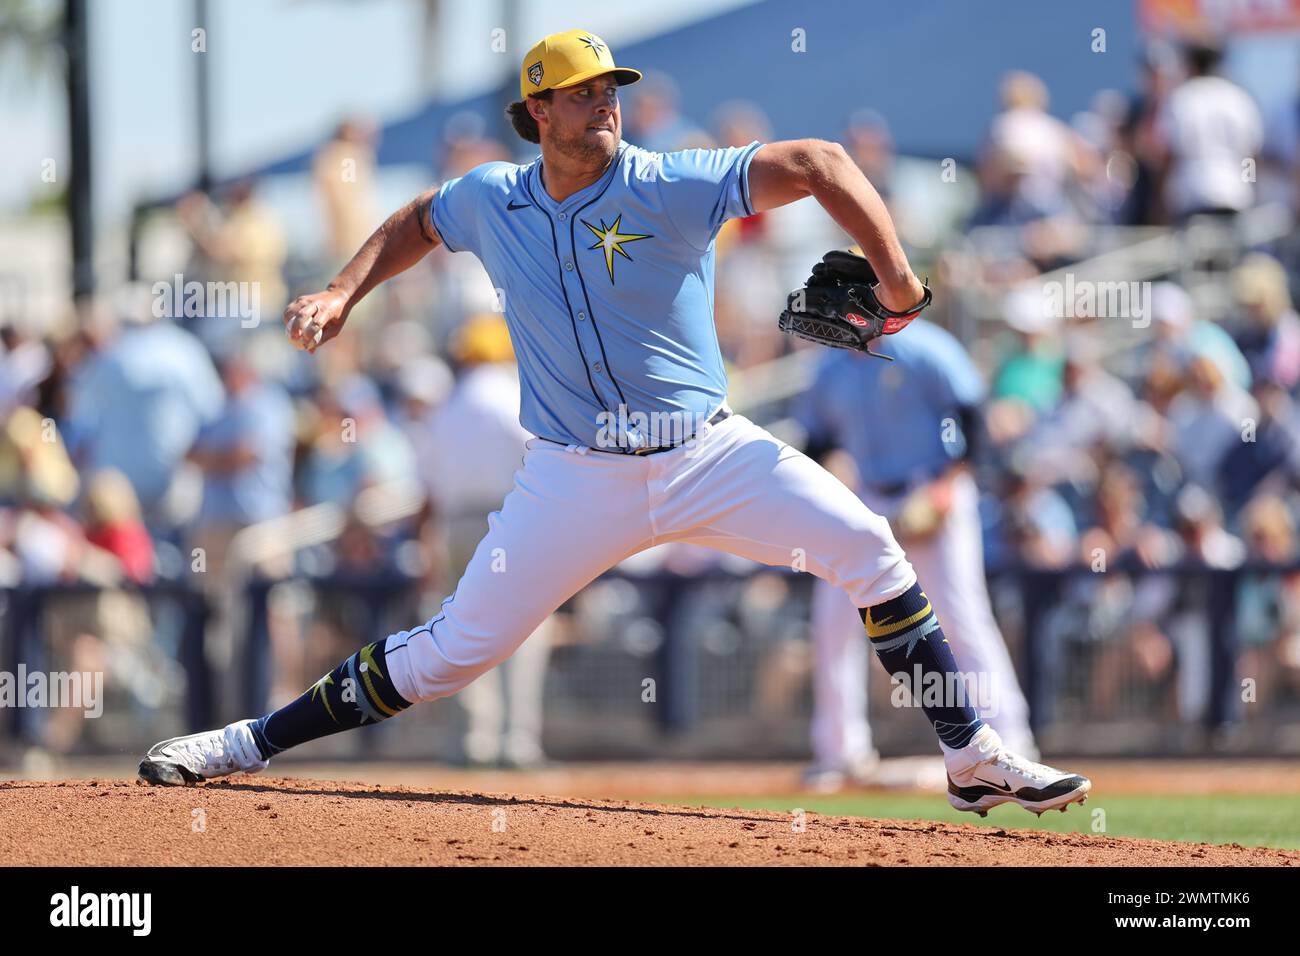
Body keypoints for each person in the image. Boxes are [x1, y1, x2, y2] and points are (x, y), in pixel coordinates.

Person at [138, 29, 1090, 818]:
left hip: (708, 454)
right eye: (584, 92)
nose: (606, 104)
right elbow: (421, 219)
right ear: (537, 112)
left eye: (612, 89)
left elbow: (822, 163)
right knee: (445, 658)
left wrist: (897, 281)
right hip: (573, 477)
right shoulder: (493, 199)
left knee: (873, 552)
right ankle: (243, 743)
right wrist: (343, 290)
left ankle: (973, 758)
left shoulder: (670, 181)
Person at [795, 320, 1038, 791]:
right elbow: (816, 443)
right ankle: (840, 751)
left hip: (934, 489)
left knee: (960, 616)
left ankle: (1012, 740)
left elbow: (970, 419)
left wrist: (949, 483)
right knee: (833, 620)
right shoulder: (829, 367)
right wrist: (831, 477)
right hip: (868, 497)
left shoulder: (925, 347)